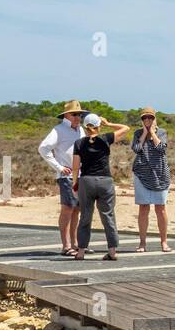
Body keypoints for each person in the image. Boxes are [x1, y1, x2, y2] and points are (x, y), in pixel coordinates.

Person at [71, 113, 130, 261]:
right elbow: (126, 128)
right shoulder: (106, 139)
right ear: (98, 126)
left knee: (85, 216)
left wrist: (74, 183)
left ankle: (81, 252)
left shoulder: (79, 143)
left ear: (85, 126)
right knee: (108, 215)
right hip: (105, 181)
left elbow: (75, 167)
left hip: (87, 181)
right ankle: (112, 251)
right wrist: (108, 123)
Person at [37, 100, 86, 255]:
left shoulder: (81, 130)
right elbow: (43, 148)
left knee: (77, 209)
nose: (78, 117)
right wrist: (59, 167)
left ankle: (75, 243)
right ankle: (66, 246)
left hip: (80, 175)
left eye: (79, 114)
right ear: (66, 115)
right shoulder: (58, 130)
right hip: (67, 176)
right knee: (68, 209)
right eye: (74, 114)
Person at [131, 107, 173, 253]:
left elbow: (161, 148)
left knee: (160, 208)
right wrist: (144, 133)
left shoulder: (162, 132)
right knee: (143, 208)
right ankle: (142, 243)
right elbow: (136, 149)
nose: (147, 120)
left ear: (154, 118)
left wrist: (153, 133)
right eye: (144, 118)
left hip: (160, 174)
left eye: (150, 117)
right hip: (142, 174)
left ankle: (164, 242)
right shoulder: (137, 133)